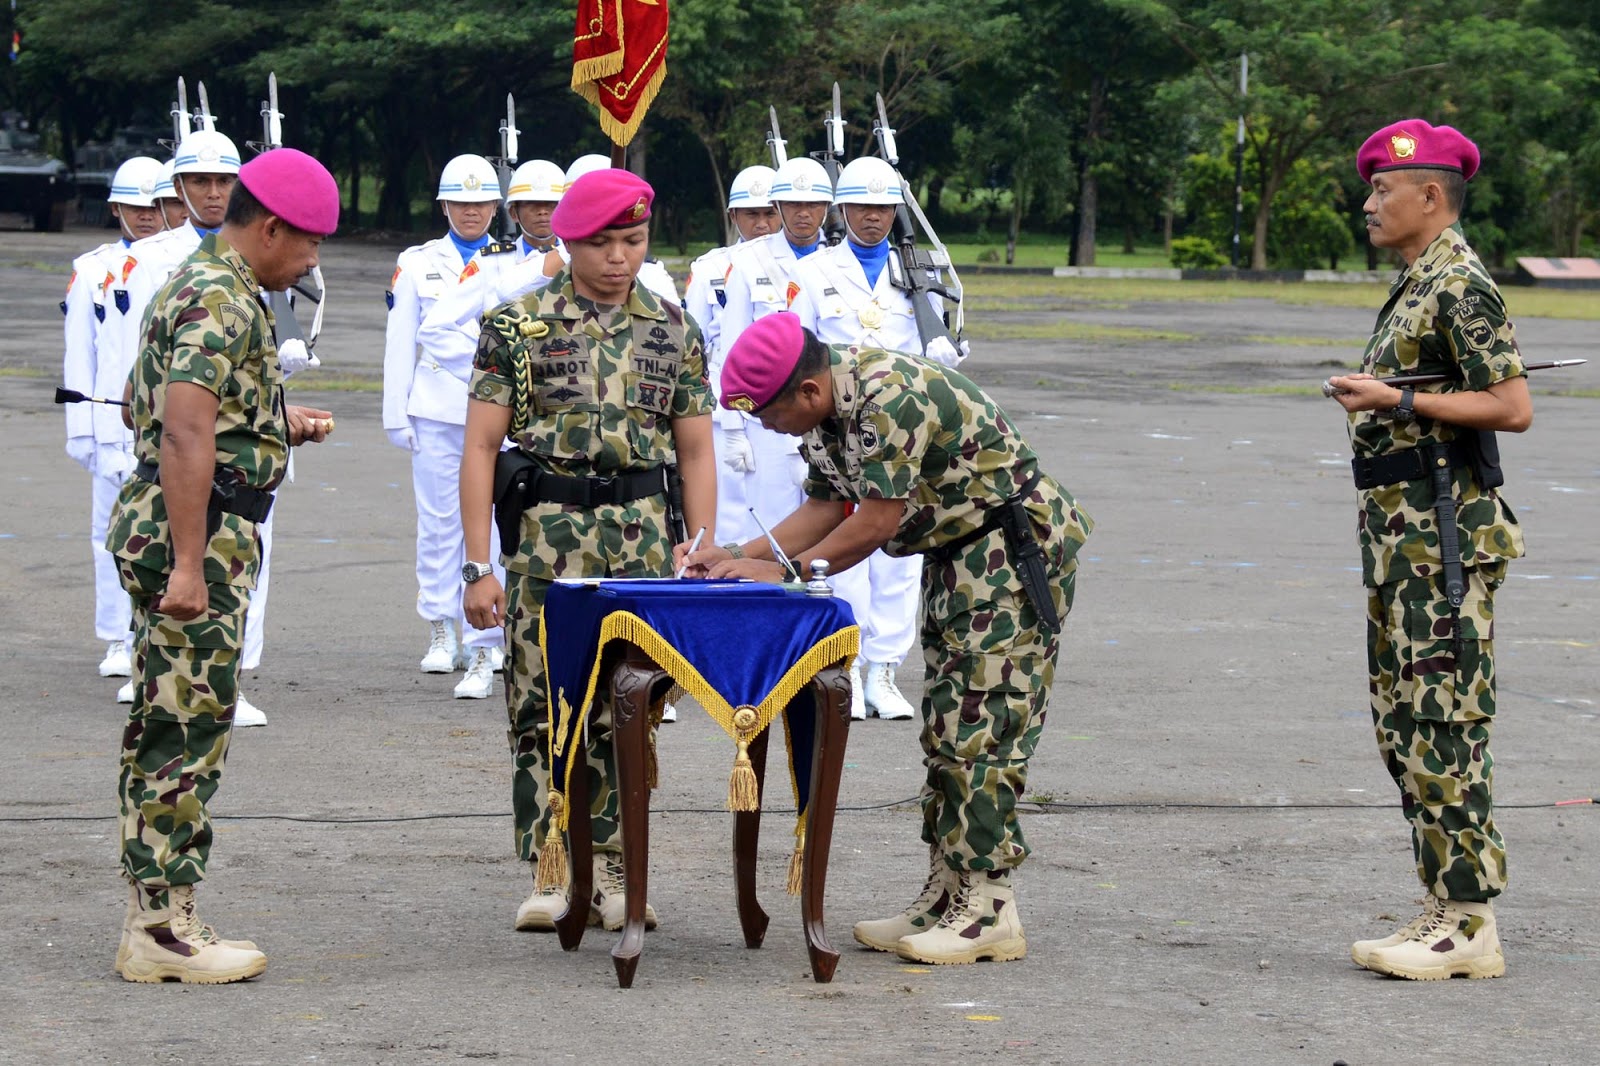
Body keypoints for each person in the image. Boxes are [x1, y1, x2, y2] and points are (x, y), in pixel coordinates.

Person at [682, 311, 1091, 965]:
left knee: (978, 730)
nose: (763, 427)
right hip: (962, 556)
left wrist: (781, 572)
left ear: (807, 393)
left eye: (766, 414)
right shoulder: (829, 404)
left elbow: (873, 522)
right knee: (944, 729)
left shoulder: (885, 397)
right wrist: (738, 555)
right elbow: (823, 508)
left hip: (1009, 553)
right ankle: (948, 893)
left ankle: (989, 908)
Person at [459, 168, 716, 933]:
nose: (618, 259)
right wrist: (477, 565)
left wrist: (697, 555)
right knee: (541, 710)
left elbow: (695, 453)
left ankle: (613, 866)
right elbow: (479, 447)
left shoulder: (673, 329)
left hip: (639, 551)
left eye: (633, 241)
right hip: (545, 546)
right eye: (601, 243)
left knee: (626, 710)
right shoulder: (516, 326)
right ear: (567, 241)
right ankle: (552, 864)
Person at [107, 147, 339, 983]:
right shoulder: (219, 295)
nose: (311, 262)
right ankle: (160, 930)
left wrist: (278, 421)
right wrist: (189, 565)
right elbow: (183, 432)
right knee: (183, 730)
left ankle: (159, 912)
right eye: (308, 243)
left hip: (193, 525)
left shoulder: (216, 283)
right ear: (270, 227)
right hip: (193, 534)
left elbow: (198, 407)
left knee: (174, 720)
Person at [1329, 119, 1531, 981]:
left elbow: (1512, 405)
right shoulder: (1419, 280)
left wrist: (1399, 404)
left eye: (1383, 190)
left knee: (1443, 723)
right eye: (1372, 188)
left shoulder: (1459, 284)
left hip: (1442, 542)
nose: (1370, 202)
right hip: (1402, 541)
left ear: (1431, 196)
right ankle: (1444, 905)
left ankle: (1468, 921)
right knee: (1407, 724)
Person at [785, 155, 960, 722]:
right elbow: (799, 350)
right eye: (862, 206)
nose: (873, 217)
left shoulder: (921, 270)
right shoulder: (813, 272)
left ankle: (885, 668)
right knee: (850, 548)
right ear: (844, 208)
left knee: (902, 555)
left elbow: (950, 336)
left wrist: (949, 351)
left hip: (906, 431)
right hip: (842, 431)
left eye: (884, 207)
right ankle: (848, 664)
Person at [383, 154, 509, 696]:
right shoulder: (418, 263)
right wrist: (396, 412)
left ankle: (491, 632)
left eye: (482, 202)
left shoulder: (511, 261)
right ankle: (441, 626)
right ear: (444, 205)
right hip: (435, 406)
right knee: (438, 522)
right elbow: (399, 340)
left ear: (496, 206)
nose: (472, 211)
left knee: (497, 526)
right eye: (461, 202)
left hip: (498, 409)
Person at [61, 155, 166, 683]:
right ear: (115, 208)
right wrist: (81, 429)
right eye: (133, 206)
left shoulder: (178, 262)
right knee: (111, 536)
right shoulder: (93, 268)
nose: (145, 216)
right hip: (110, 422)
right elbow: (79, 353)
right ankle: (117, 638)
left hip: (166, 422)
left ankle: (156, 636)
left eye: (154, 205)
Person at [714, 156, 833, 559]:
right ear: (780, 207)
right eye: (794, 205)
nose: (804, 214)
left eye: (814, 205)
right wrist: (731, 426)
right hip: (770, 419)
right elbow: (731, 348)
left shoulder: (834, 261)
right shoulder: (748, 262)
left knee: (829, 529)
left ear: (827, 209)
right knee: (772, 524)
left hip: (828, 412)